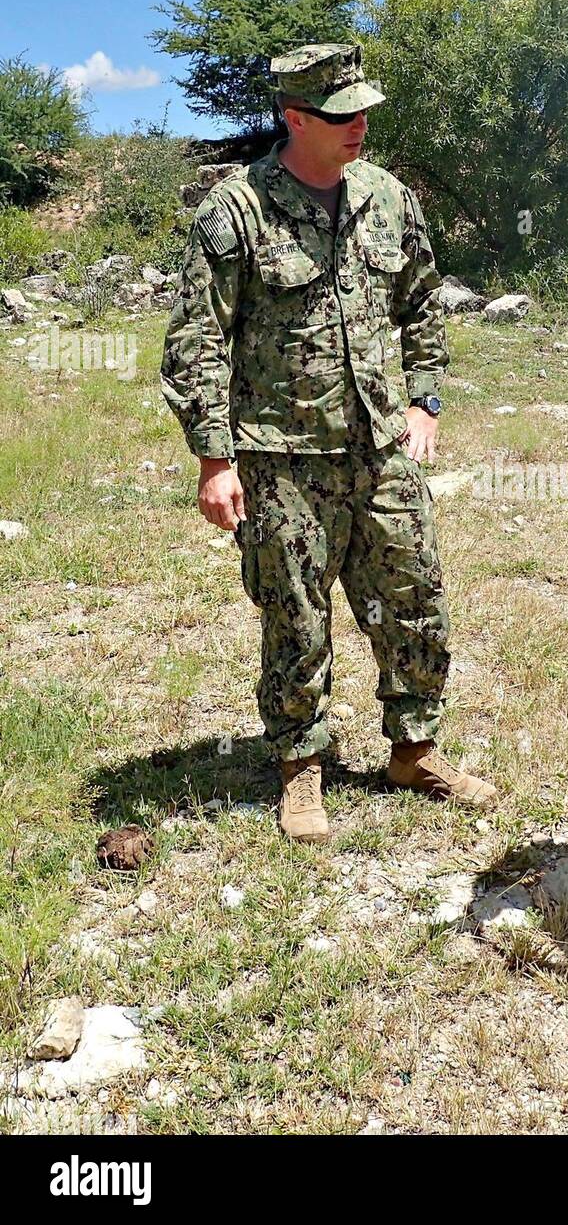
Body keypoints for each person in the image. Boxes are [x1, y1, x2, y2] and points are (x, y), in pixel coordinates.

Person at [161, 43, 496, 844]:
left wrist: (426, 402)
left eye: (364, 110)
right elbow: (198, 338)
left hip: (382, 449)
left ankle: (415, 752)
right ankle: (301, 768)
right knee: (296, 617)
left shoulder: (388, 199)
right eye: (341, 115)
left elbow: (422, 305)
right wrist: (215, 458)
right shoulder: (237, 212)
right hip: (280, 458)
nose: (361, 126)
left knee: (415, 602)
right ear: (295, 119)